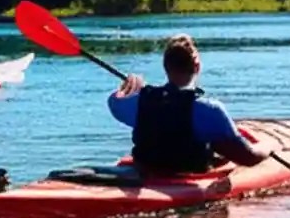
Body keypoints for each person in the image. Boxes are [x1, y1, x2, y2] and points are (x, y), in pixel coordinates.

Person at [107, 34, 272, 173]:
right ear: (197, 66)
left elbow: (114, 101)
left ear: (166, 66)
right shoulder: (211, 111)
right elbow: (249, 158)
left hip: (147, 172)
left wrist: (129, 87)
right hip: (187, 176)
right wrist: (269, 146)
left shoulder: (140, 101)